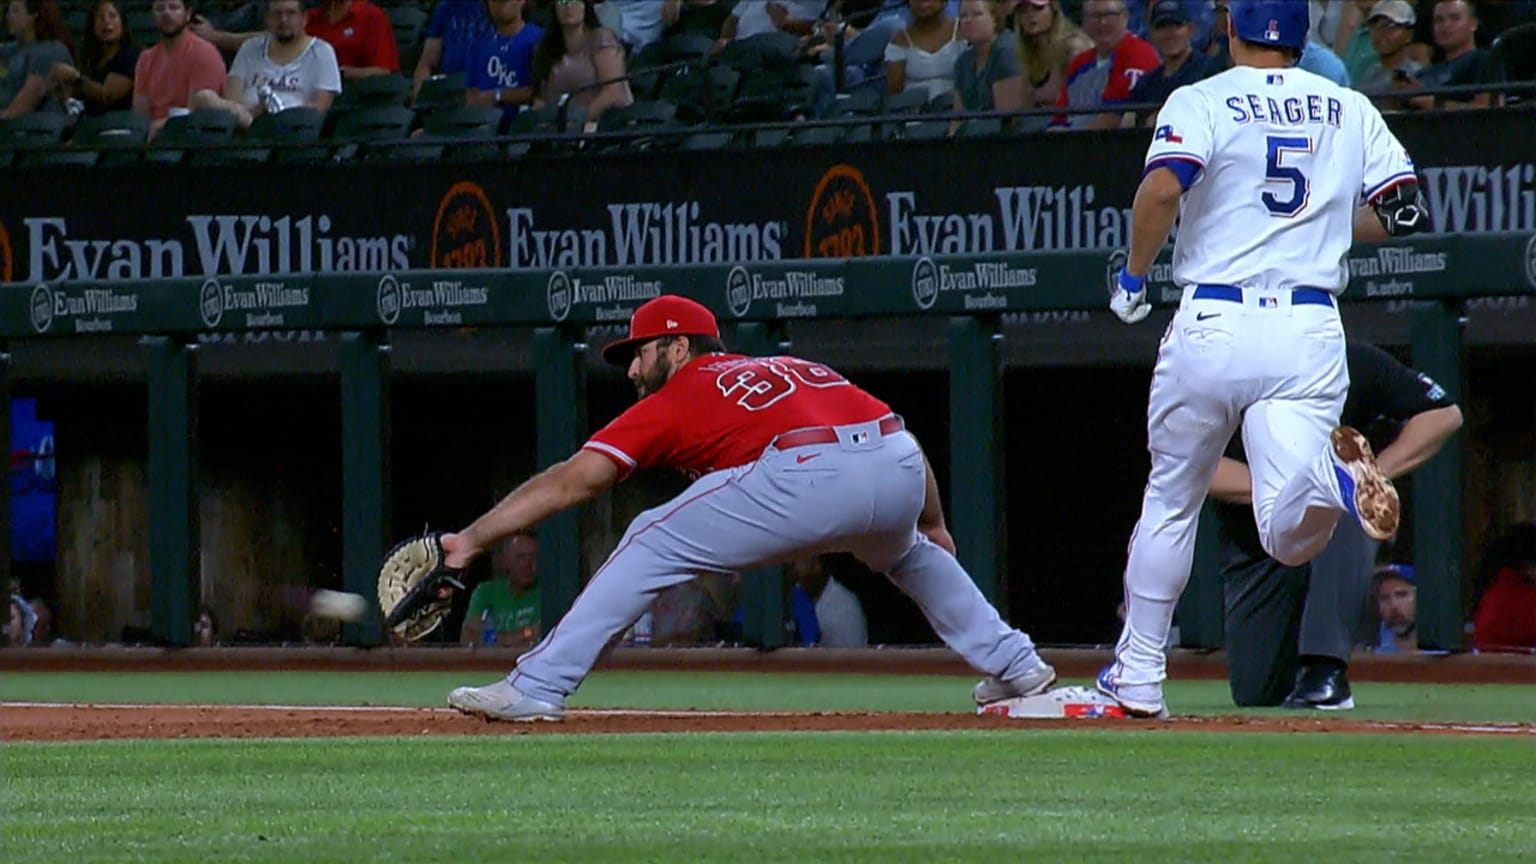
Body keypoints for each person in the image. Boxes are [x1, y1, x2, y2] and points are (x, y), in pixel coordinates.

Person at [442, 294, 1056, 721]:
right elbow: (897, 433)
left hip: (807, 471)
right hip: (896, 460)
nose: (631, 369)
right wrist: (932, 522)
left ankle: (538, 684)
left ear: (677, 347)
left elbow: (572, 482)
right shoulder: (794, 366)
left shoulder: (681, 392)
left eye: (640, 351)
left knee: (650, 533)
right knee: (910, 554)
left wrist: (472, 539)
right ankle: (1015, 663)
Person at [1100, 0, 1428, 717]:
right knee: (1287, 533)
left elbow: (1163, 187)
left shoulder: (1202, 97)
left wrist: (1132, 276)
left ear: (1230, 29)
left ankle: (1140, 674)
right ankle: (1329, 478)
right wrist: (1321, 221)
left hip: (1218, 316)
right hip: (1309, 328)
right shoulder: (1348, 105)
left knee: (1173, 496)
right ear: (1303, 36)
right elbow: (1406, 211)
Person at [1213, 342, 1461, 708]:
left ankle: (1324, 669)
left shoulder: (1346, 357)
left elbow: (1442, 414)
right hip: (1258, 543)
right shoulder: (1221, 369)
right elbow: (1193, 465)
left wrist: (1372, 478)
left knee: (1342, 492)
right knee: (1257, 692)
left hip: (1329, 525)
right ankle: (1298, 672)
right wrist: (1293, 489)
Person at [189, 0, 341, 129]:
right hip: (244, 130)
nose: (283, 20)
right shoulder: (250, 48)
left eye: (291, 13)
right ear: (267, 19)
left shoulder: (322, 52)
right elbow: (232, 100)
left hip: (293, 131)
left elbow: (318, 109)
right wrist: (256, 112)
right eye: (277, 14)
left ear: (304, 18)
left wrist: (275, 114)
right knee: (204, 97)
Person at [131, 0, 228, 140]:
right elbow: (140, 114)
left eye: (174, 7)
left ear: (187, 14)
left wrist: (160, 126)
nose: (166, 13)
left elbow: (198, 114)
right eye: (160, 8)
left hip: (191, 138)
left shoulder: (204, 53)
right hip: (151, 140)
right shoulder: (146, 59)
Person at [49, 0, 140, 117]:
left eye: (112, 16)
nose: (106, 21)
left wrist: (76, 77)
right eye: (100, 18)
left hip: (120, 122)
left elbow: (106, 96)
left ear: (122, 22)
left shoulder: (131, 55)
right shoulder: (90, 58)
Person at [459, 532, 542, 646]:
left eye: (533, 557)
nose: (527, 565)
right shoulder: (486, 592)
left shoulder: (549, 591)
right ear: (505, 561)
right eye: (520, 557)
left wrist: (493, 640)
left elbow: (543, 633)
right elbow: (468, 638)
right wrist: (525, 634)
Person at [464, 0, 542, 120]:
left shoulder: (539, 39)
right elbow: (471, 95)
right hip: (484, 124)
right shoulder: (478, 45)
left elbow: (542, 92)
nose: (502, 4)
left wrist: (498, 95)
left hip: (524, 123)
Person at [0, 0, 74, 119]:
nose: (8, 16)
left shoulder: (50, 50)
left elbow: (23, 106)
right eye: (8, 11)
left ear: (33, 16)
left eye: (15, 11)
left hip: (36, 125)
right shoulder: (13, 48)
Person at [1370, 564, 1417, 654]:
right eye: (1384, 598)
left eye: (1401, 595)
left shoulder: (1441, 644)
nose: (1393, 605)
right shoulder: (1371, 646)